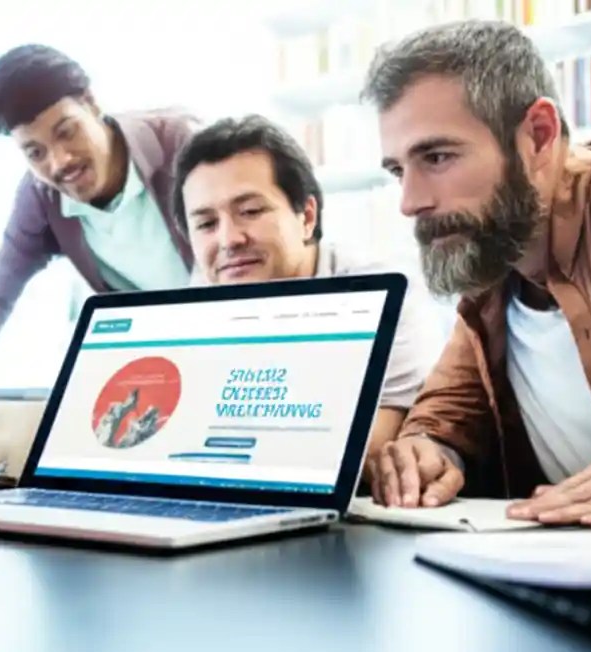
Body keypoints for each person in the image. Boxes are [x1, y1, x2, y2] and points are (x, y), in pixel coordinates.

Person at [362, 20, 591, 527]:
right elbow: (448, 416)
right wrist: (427, 452)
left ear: (538, 137)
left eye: (437, 157)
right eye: (397, 170)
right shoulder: (492, 267)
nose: (411, 202)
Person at [0, 44, 200, 403]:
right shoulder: (41, 197)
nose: (60, 162)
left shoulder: (180, 143)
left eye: (67, 132)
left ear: (91, 103)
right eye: (35, 152)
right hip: (166, 353)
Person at [174, 115, 443, 470]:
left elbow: (376, 447)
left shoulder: (383, 291)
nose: (228, 240)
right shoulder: (199, 300)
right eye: (206, 224)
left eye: (251, 211)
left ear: (307, 217)